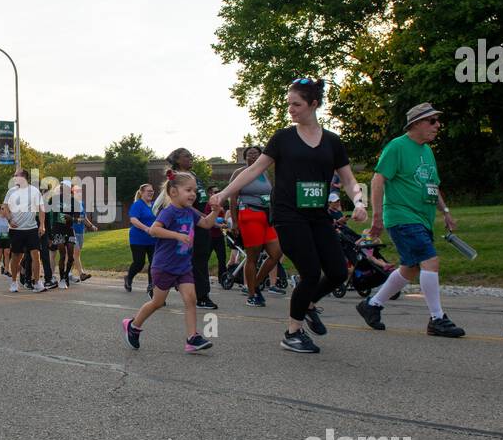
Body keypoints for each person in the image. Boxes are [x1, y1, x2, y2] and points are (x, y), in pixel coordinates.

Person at [211, 78, 368, 354]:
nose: (291, 110)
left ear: (314, 104)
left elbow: (348, 178)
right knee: (309, 271)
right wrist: (223, 195)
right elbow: (252, 170)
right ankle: (292, 331)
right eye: (289, 104)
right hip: (287, 214)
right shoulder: (283, 138)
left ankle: (307, 303)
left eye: (296, 104)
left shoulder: (332, 141)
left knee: (337, 271)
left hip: (318, 215)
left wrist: (359, 201)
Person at [356, 103, 465, 337]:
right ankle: (437, 319)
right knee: (430, 261)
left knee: (410, 268)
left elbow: (432, 186)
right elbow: (378, 180)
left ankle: (371, 305)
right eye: (432, 121)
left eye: (437, 121)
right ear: (416, 124)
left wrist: (445, 211)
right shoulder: (397, 147)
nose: (437, 125)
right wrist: (377, 216)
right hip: (402, 216)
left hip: (422, 218)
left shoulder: (427, 151)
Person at [122, 173, 222, 353]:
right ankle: (133, 325)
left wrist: (215, 211)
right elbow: (154, 230)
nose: (193, 194)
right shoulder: (169, 211)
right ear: (174, 192)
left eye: (194, 191)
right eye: (188, 190)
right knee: (157, 302)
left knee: (191, 299)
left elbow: (207, 224)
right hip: (164, 265)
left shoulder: (190, 211)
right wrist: (177, 235)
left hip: (183, 265)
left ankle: (192, 338)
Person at [155, 149, 216, 311]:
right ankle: (201, 296)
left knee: (200, 258)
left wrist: (214, 213)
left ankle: (199, 294)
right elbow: (179, 204)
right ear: (177, 160)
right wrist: (203, 215)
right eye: (186, 156)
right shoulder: (175, 178)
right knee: (184, 259)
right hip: (187, 224)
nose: (191, 158)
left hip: (199, 222)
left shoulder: (193, 175)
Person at [231, 146, 284, 308]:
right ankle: (252, 295)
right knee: (252, 257)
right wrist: (234, 221)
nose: (253, 156)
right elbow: (233, 198)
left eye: (256, 153)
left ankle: (255, 284)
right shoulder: (239, 173)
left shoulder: (265, 173)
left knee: (276, 253)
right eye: (250, 154)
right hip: (249, 215)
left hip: (266, 216)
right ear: (245, 157)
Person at [4, 169, 48, 293]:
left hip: (31, 228)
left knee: (36, 254)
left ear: (23, 177)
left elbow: (41, 210)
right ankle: (14, 282)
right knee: (16, 256)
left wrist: (42, 225)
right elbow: (5, 207)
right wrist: (9, 219)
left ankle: (37, 282)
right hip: (16, 229)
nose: (14, 177)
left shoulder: (34, 191)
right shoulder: (11, 191)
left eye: (15, 175)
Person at [124, 183, 156, 296]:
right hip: (138, 239)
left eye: (152, 191)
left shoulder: (154, 205)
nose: (151, 193)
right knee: (139, 263)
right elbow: (133, 220)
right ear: (142, 193)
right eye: (148, 191)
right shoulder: (138, 205)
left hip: (153, 240)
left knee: (154, 264)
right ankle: (128, 277)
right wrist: (146, 229)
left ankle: (151, 287)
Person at [69, 181, 98, 281]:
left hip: (80, 231)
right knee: (76, 253)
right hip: (71, 230)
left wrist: (91, 226)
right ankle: (82, 273)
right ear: (72, 192)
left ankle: (68, 273)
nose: (79, 193)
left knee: (75, 254)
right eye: (77, 191)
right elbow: (70, 218)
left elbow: (83, 217)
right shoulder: (70, 203)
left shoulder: (81, 203)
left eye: (80, 191)